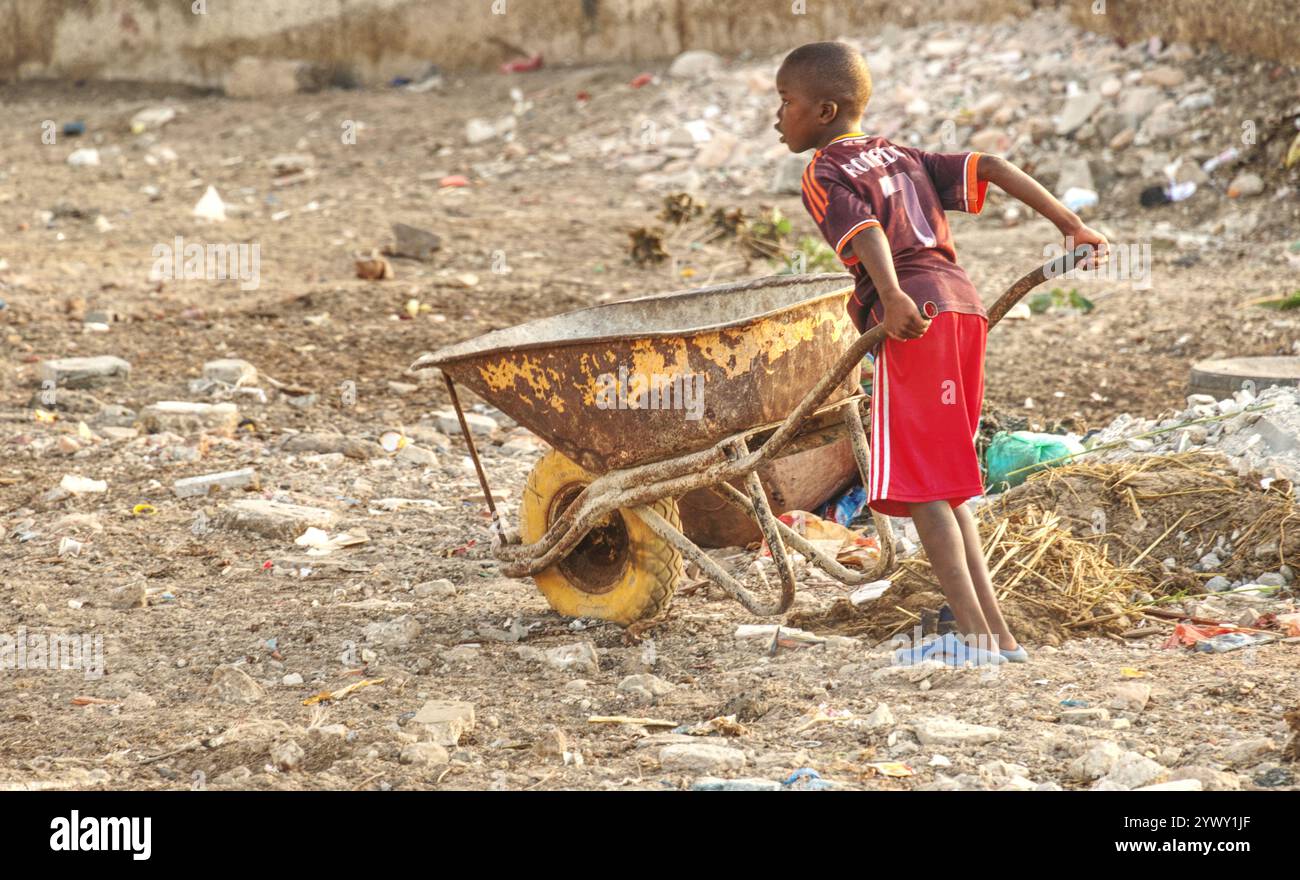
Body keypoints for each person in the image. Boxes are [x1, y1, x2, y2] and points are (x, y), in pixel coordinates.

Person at [775, 41, 1108, 666]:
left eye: (785, 102)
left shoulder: (824, 170)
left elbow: (866, 232)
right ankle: (998, 639)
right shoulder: (901, 155)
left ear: (823, 110)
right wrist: (1071, 224)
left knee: (925, 487)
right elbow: (992, 166)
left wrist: (894, 296)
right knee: (948, 485)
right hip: (963, 310)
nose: (778, 116)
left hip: (914, 319)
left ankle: (978, 641)